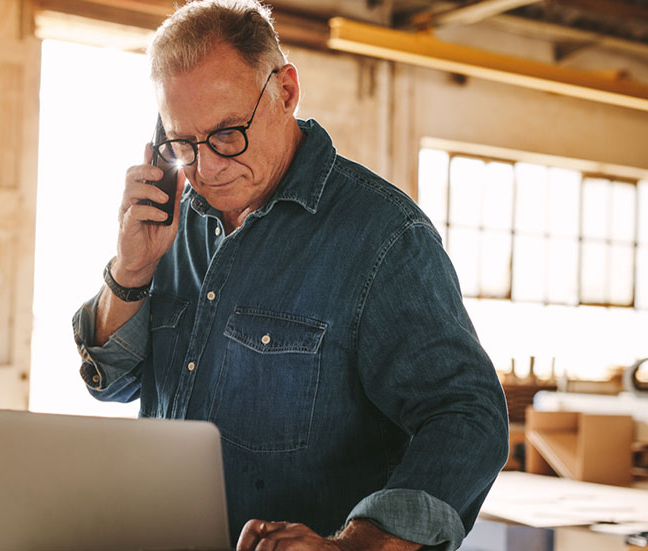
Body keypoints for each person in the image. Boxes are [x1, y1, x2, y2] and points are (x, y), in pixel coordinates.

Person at [71, 1, 509, 549]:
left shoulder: (383, 237)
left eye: (228, 133)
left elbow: (468, 417)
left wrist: (359, 544)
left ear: (285, 91)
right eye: (182, 143)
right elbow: (114, 382)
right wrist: (130, 270)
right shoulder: (172, 221)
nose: (207, 167)